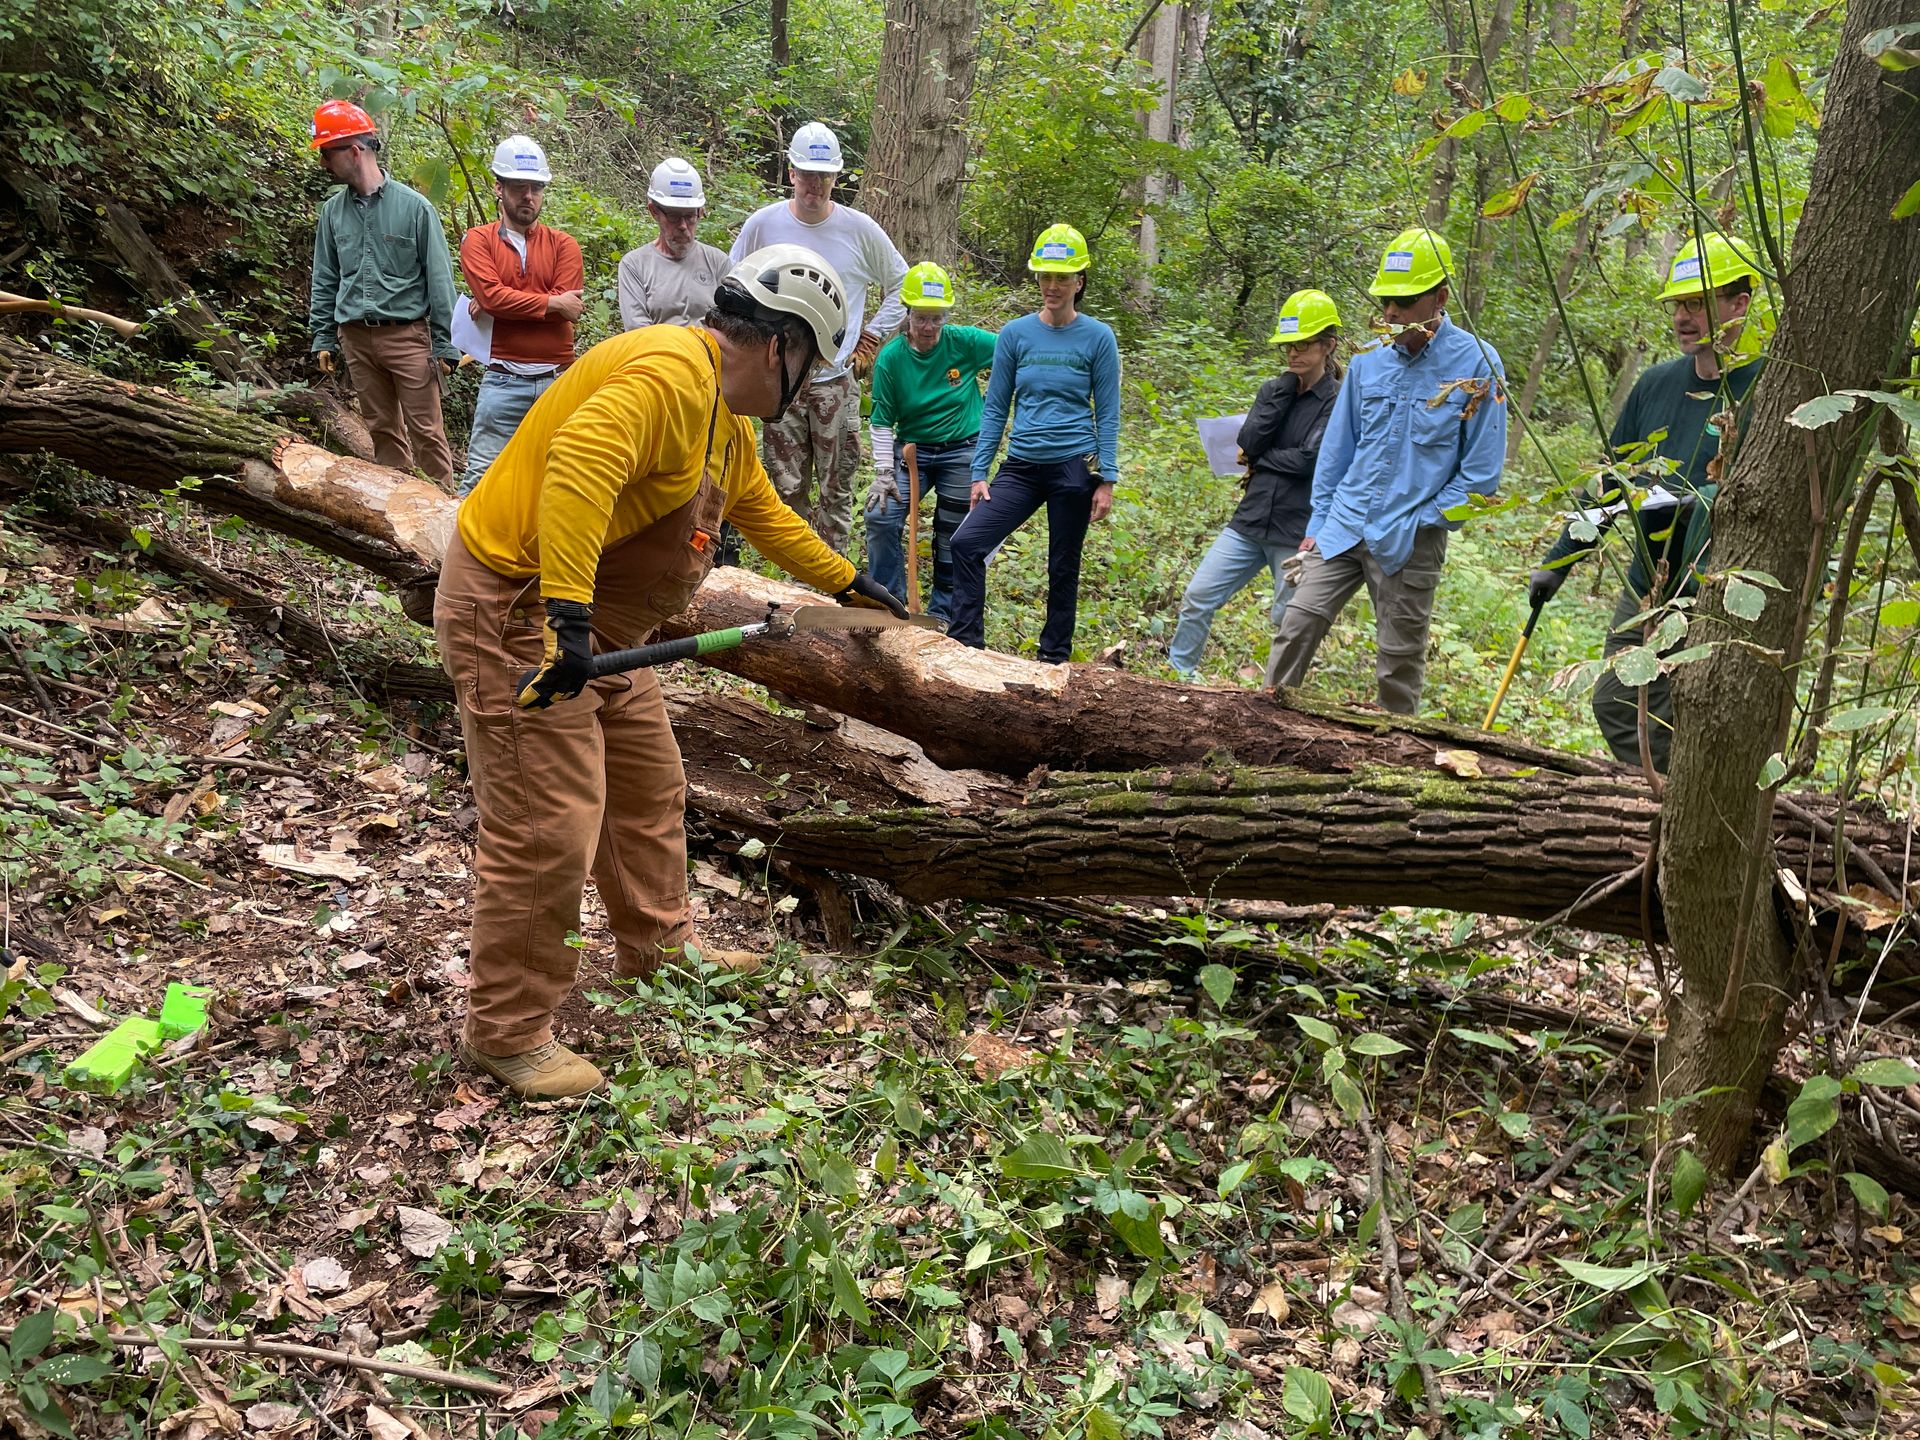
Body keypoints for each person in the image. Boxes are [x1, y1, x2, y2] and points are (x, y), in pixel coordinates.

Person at [436, 244, 906, 1098]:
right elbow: (579, 470)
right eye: (810, 364)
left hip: (602, 627)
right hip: (520, 616)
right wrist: (569, 626)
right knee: (550, 825)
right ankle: (505, 1029)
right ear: (780, 347)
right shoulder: (668, 375)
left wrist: (844, 581)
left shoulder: (721, 409)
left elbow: (756, 505)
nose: (803, 387)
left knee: (651, 788)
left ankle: (657, 951)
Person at [1527, 234, 1767, 771]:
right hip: (1648, 578)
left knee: (1701, 710)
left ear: (1738, 304)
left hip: (1717, 587)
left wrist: (1699, 502)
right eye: (1678, 304)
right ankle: (1659, 804)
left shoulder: (1767, 389)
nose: (1683, 316)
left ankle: (1682, 808)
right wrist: (1559, 561)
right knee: (1616, 700)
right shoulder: (1655, 384)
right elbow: (1610, 484)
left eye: (1698, 303)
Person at [1264, 227, 1506, 715]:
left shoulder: (1478, 363)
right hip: (1344, 526)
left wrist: (1423, 520)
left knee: (1398, 662)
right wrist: (1318, 524)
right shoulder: (1367, 364)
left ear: (1439, 297)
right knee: (1295, 623)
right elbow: (1336, 453)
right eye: (1385, 300)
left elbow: (1480, 474)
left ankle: (1399, 760)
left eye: (1404, 300)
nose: (1391, 312)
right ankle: (1258, 724)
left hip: (1410, 537)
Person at [729, 121, 908, 554]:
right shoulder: (763, 225)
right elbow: (733, 284)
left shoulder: (859, 230)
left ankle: (832, 585)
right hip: (780, 383)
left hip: (836, 381)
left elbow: (903, 284)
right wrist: (755, 342)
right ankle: (789, 579)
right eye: (807, 174)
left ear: (836, 177)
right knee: (785, 489)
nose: (815, 185)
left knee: (836, 488)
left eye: (824, 176)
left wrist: (871, 337)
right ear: (791, 173)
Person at [949, 224, 1121, 663]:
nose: (1052, 286)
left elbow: (1109, 412)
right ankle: (967, 646)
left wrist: (1108, 479)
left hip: (1072, 466)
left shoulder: (1098, 338)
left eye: (1062, 277)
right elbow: (995, 408)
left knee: (1063, 566)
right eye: (1045, 276)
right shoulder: (1016, 334)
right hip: (1021, 466)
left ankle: (1053, 658)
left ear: (1079, 282)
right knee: (967, 543)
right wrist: (979, 472)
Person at [1169, 290, 1343, 678]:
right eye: (1287, 346)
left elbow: (1308, 462)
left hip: (1296, 528)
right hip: (1250, 519)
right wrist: (1282, 392)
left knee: (1287, 620)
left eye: (1302, 344)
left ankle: (1276, 695)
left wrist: (1262, 459)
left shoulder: (1337, 400)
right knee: (1198, 596)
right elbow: (1247, 443)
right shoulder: (1274, 390)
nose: (1293, 353)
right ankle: (1180, 675)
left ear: (1328, 345)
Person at [307, 98, 459, 487]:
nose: (323, 162)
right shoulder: (332, 213)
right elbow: (325, 277)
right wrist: (323, 335)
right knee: (383, 431)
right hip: (356, 338)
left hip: (407, 336)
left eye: (327, 153)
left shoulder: (415, 208)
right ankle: (398, 524)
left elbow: (440, 281)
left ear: (354, 151)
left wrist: (445, 345)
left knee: (426, 431)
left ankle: (446, 517)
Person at [863, 262, 997, 619]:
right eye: (921, 317)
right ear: (907, 314)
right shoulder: (892, 358)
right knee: (881, 515)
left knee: (955, 531)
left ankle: (942, 613)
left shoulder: (964, 343)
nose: (928, 327)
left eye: (937, 318)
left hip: (963, 449)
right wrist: (883, 472)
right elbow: (880, 422)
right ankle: (887, 601)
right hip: (912, 453)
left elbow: (1013, 353)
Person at [456, 135, 584, 495]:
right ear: (499, 188)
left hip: (558, 378)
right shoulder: (477, 241)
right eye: (519, 187)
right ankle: (454, 551)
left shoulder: (564, 245)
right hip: (502, 379)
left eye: (536, 188)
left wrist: (500, 302)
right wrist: (549, 303)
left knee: (557, 480)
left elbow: (566, 308)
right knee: (480, 480)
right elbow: (496, 298)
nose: (529, 196)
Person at [616, 158, 731, 330]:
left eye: (690, 216)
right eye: (674, 216)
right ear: (654, 212)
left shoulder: (718, 262)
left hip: (707, 354)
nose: (683, 226)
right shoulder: (635, 265)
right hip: (657, 355)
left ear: (700, 212)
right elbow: (637, 331)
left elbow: (730, 325)